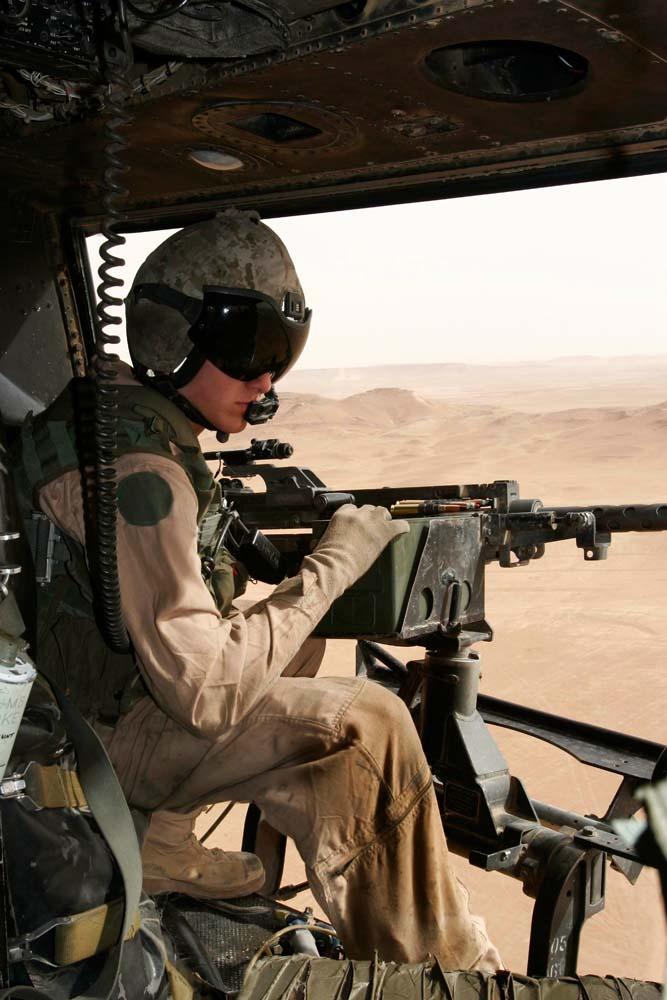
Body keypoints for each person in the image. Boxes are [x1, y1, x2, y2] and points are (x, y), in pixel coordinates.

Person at [17, 210, 501, 970]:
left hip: (80, 703)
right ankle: (441, 972)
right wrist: (330, 566)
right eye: (251, 351)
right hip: (90, 743)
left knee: (296, 641)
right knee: (365, 725)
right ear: (172, 340)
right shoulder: (141, 471)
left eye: (283, 354)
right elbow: (204, 693)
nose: (266, 379)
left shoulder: (110, 415)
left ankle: (161, 844)